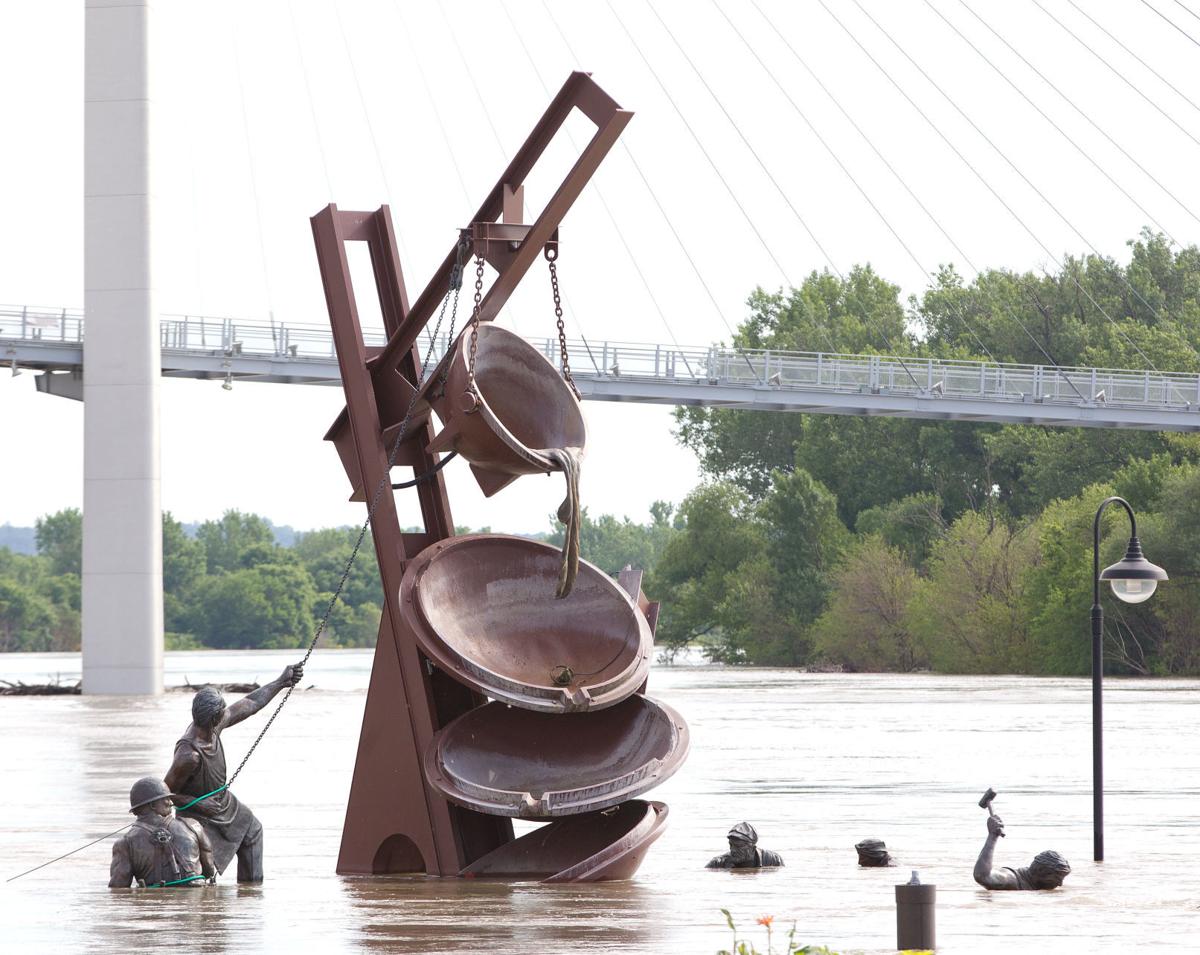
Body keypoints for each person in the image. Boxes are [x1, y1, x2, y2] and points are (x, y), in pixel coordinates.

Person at [164, 663, 303, 883]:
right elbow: (164, 794)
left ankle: (251, 892)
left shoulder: (213, 727)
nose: (226, 715)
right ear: (215, 718)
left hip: (223, 803)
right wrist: (199, 804)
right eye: (223, 713)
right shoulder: (189, 756)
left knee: (253, 831)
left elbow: (250, 703)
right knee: (201, 872)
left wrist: (281, 682)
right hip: (198, 814)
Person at [109, 777, 216, 888]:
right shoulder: (193, 826)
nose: (171, 803)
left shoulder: (125, 843)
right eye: (166, 799)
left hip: (154, 903)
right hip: (193, 900)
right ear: (152, 805)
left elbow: (118, 887)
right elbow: (209, 871)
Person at [973, 813, 1070, 890]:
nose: (1060, 884)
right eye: (1057, 878)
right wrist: (992, 836)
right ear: (1040, 871)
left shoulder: (1032, 884)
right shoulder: (1011, 880)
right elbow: (982, 876)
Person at [705, 822, 784, 869]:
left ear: (752, 848)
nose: (733, 850)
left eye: (738, 846)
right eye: (731, 845)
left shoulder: (773, 860)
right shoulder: (717, 863)